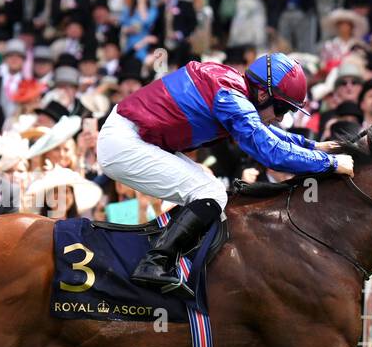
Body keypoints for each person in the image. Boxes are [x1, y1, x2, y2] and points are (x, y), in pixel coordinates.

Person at [97, 52, 354, 297]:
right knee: (210, 192)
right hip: (124, 143)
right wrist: (329, 164)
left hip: (134, 136)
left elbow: (265, 130)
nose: (280, 118)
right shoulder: (231, 97)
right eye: (281, 110)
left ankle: (171, 260)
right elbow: (269, 151)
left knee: (211, 190)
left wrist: (311, 146)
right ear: (263, 94)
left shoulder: (235, 88)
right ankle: (155, 264)